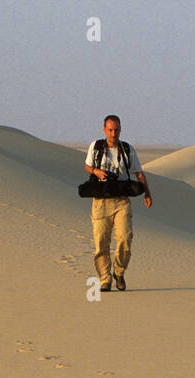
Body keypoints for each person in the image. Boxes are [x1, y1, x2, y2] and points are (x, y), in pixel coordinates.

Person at [84, 115, 153, 292]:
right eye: (110, 130)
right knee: (101, 242)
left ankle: (119, 272)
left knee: (124, 239)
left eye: (116, 130)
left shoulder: (127, 149)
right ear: (104, 129)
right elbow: (87, 166)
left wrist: (147, 192)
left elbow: (138, 172)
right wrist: (96, 172)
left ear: (120, 130)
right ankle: (105, 278)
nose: (113, 133)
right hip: (100, 201)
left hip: (121, 200)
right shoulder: (97, 146)